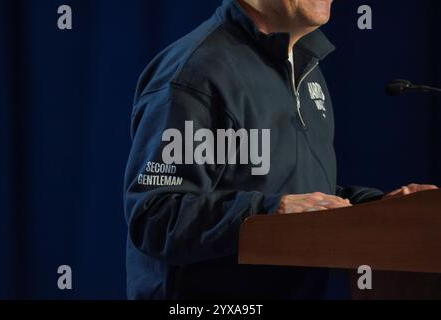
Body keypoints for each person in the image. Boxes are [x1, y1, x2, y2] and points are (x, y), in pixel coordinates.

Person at [124, 0, 438, 299]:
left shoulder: (305, 67)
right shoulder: (197, 72)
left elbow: (296, 192)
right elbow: (156, 215)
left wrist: (382, 209)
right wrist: (269, 212)